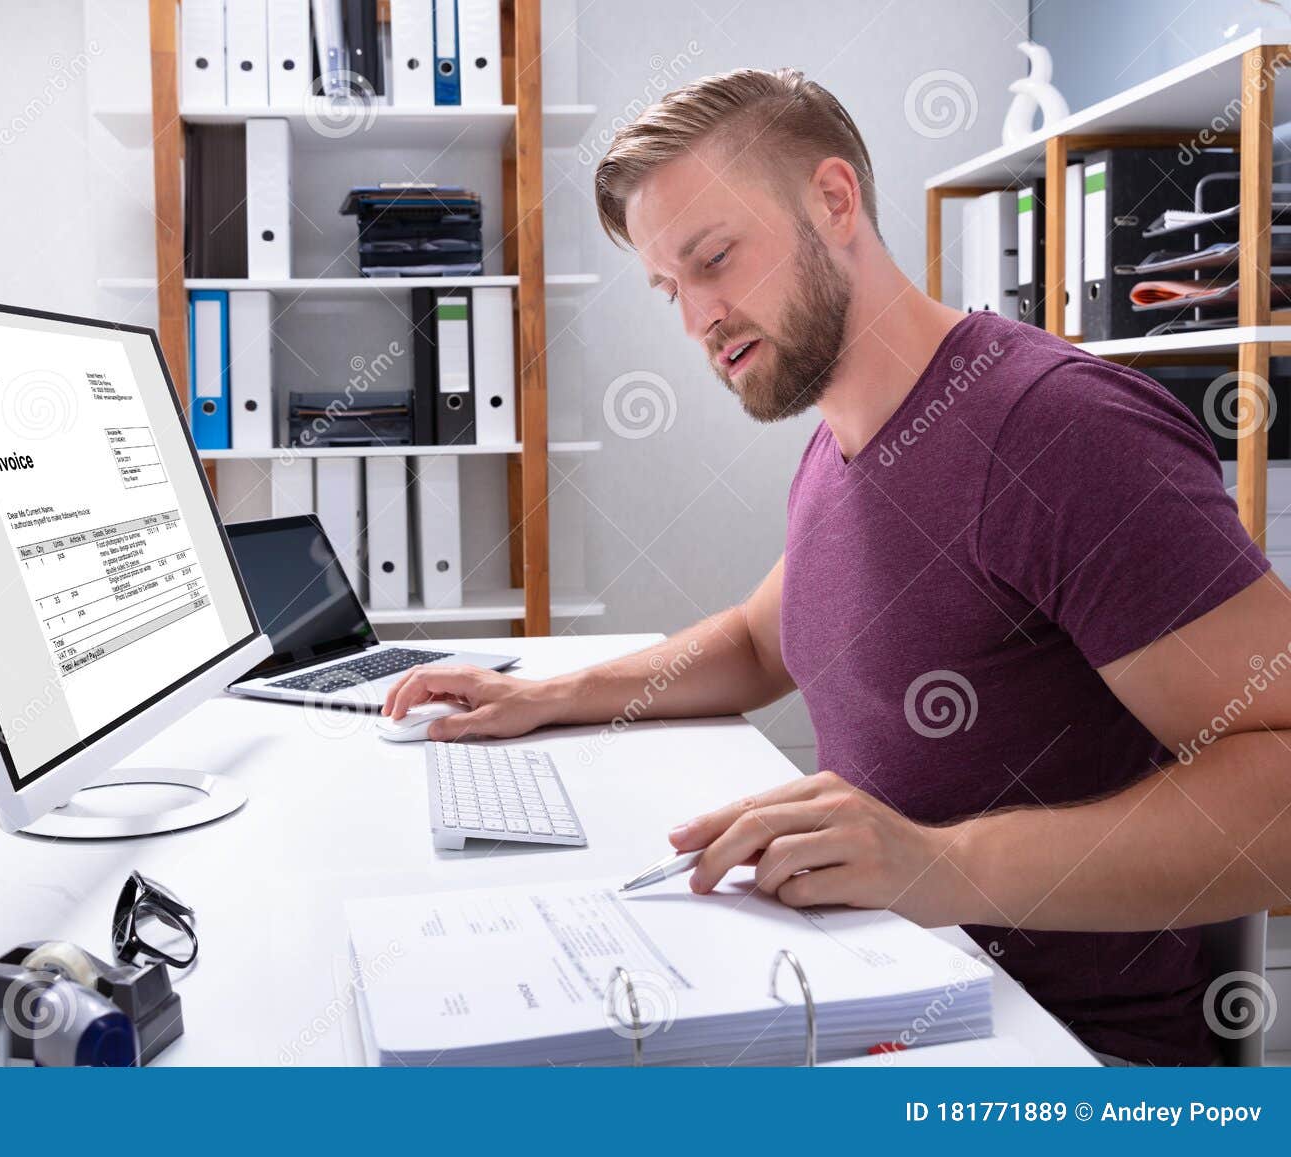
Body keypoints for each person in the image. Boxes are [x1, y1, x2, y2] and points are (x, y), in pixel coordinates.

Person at [383, 67, 1291, 1065]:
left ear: (833, 200)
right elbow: (761, 637)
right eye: (669, 287)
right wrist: (553, 694)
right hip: (882, 994)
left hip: (1057, 1052)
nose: (697, 318)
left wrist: (940, 865)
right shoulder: (845, 439)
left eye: (715, 258)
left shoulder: (1061, 430)